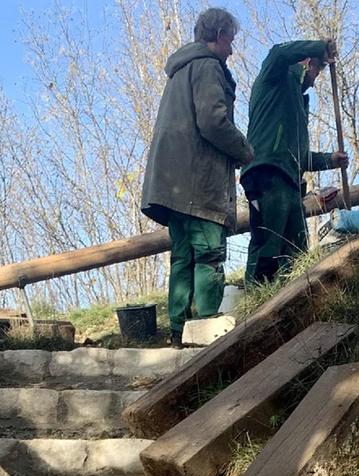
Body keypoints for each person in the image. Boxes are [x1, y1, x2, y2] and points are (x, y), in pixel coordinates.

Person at [140, 8, 253, 346]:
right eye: (230, 41)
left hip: (172, 184)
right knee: (208, 255)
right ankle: (206, 335)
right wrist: (244, 150)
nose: (231, 50)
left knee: (182, 256)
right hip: (198, 182)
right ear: (217, 35)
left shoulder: (179, 71)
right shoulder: (207, 66)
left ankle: (178, 334)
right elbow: (212, 121)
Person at [241, 39, 349, 285]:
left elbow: (299, 156)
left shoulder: (298, 103)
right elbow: (277, 52)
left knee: (296, 249)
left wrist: (329, 160)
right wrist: (319, 47)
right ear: (306, 63)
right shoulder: (276, 78)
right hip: (267, 172)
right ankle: (256, 301)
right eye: (317, 71)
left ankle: (294, 297)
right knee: (269, 242)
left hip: (289, 179)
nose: (316, 79)